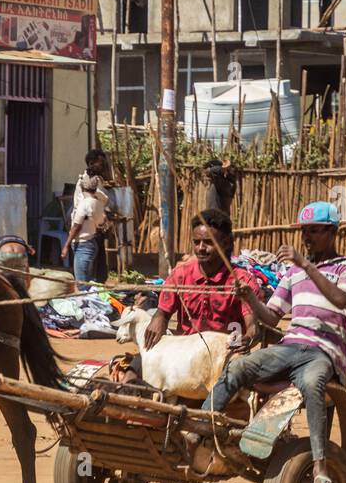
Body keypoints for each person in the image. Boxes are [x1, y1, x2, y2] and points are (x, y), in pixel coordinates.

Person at [207, 201, 346, 483]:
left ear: (331, 233)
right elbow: (272, 316)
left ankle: (320, 467)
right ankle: (200, 430)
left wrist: (305, 263)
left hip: (323, 352)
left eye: (314, 232)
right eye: (304, 232)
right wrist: (251, 299)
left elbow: (342, 302)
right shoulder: (292, 274)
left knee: (313, 383)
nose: (307, 238)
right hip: (290, 347)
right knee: (238, 365)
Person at [110, 209, 260, 385]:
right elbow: (163, 313)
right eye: (196, 242)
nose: (201, 248)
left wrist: (247, 339)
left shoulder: (242, 282)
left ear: (226, 243)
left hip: (223, 356)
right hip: (183, 358)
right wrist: (158, 318)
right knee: (133, 369)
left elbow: (253, 328)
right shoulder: (180, 275)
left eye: (208, 242)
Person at [60, 148, 110, 285]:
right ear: (91, 163)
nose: (102, 166)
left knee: (90, 275)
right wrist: (67, 244)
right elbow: (82, 216)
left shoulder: (94, 180)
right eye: (100, 163)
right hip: (85, 230)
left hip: (89, 230)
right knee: (87, 276)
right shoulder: (87, 181)